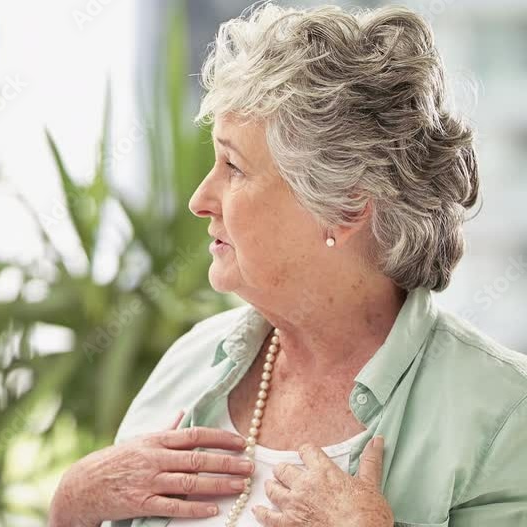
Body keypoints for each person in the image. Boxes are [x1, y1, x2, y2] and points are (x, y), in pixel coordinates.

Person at [50, 4, 527, 527]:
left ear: (344, 207)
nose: (200, 198)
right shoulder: (191, 363)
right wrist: (73, 504)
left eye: (233, 166)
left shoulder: (506, 414)